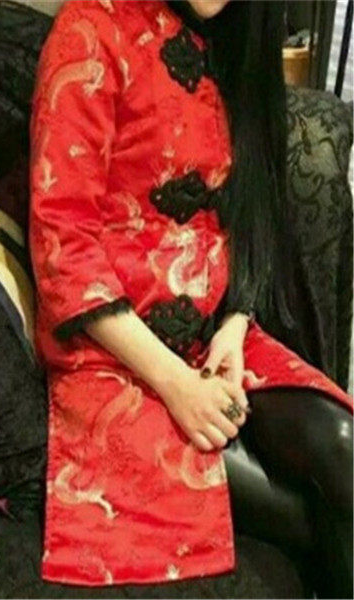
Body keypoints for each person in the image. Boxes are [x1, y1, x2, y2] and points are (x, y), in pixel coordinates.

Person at [29, 0, 353, 596]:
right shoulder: (90, 28)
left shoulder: (236, 42)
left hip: (217, 337)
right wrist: (177, 384)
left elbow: (248, 216)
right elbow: (62, 244)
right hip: (117, 360)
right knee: (310, 518)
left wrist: (235, 324)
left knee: (343, 447)